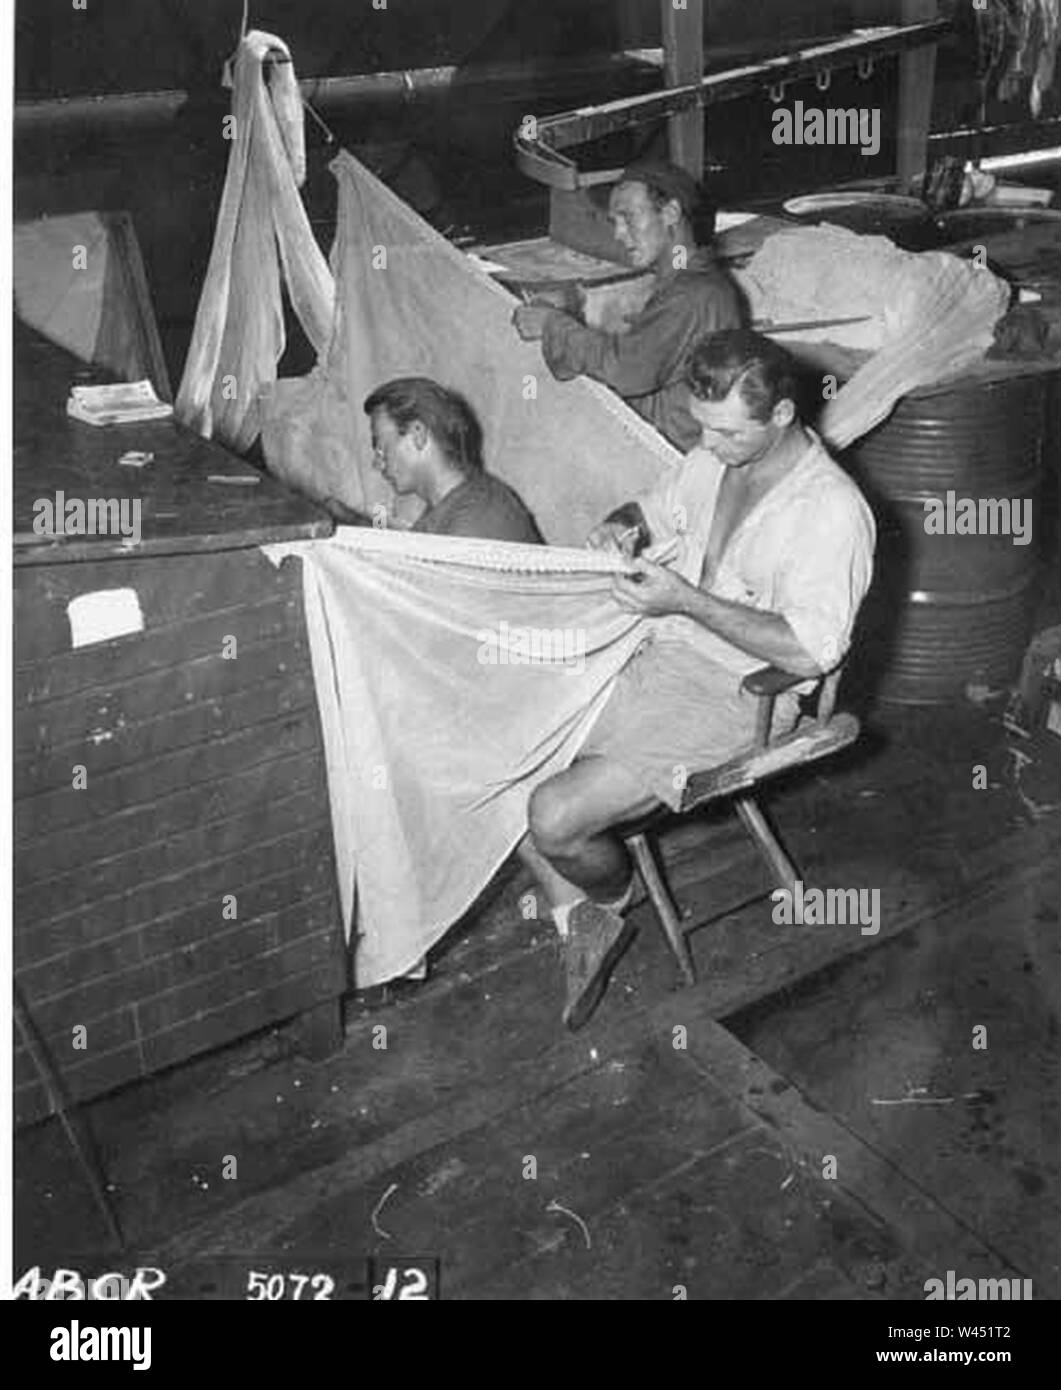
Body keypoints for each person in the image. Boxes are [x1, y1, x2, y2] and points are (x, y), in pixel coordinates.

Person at [520, 330, 877, 1029]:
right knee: (504, 740)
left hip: (740, 694)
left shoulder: (831, 512)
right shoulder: (710, 460)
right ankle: (577, 914)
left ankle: (609, 899)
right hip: (658, 649)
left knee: (552, 819)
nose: (708, 444)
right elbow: (653, 508)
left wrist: (683, 599)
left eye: (726, 432)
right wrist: (617, 528)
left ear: (779, 417)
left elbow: (809, 653)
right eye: (701, 426)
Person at [511, 160, 743, 452]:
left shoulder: (694, 294)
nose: (619, 234)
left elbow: (627, 369)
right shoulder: (684, 277)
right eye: (614, 222)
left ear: (670, 213)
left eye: (628, 217)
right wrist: (575, 304)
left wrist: (552, 325)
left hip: (676, 456)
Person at [325, 376, 544, 544]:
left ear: (418, 435)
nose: (377, 464)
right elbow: (408, 554)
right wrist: (349, 521)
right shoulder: (457, 500)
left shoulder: (476, 519)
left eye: (381, 448)